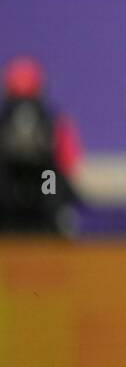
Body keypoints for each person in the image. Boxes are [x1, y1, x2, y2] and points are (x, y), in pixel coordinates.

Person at [0, 56, 82, 235]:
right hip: (11, 207)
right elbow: (70, 166)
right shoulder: (58, 123)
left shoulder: (57, 125)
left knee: (52, 183)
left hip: (45, 202)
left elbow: (65, 170)